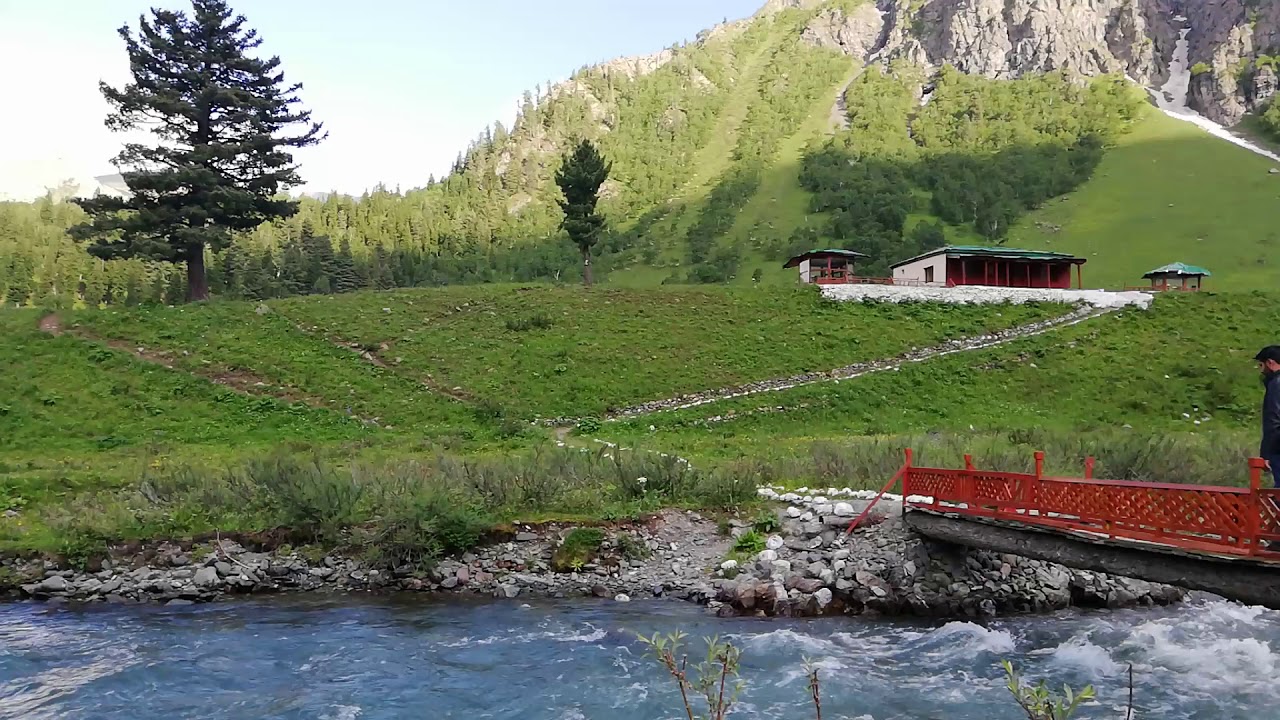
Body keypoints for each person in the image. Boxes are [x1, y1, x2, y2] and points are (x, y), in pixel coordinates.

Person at [1259, 346, 1280, 488]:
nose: (1260, 370)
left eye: (1261, 365)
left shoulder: (1276, 384)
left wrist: (1266, 453)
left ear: (1270, 363)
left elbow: (1274, 419)